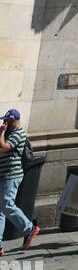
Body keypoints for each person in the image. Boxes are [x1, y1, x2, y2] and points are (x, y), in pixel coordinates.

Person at [0, 109, 39, 254]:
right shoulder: (8, 134)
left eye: (6, 121)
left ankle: (29, 228)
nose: (4, 123)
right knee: (1, 210)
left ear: (13, 120)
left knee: (7, 204)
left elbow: (4, 148)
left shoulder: (18, 133)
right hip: (3, 175)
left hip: (11, 175)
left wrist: (1, 133)